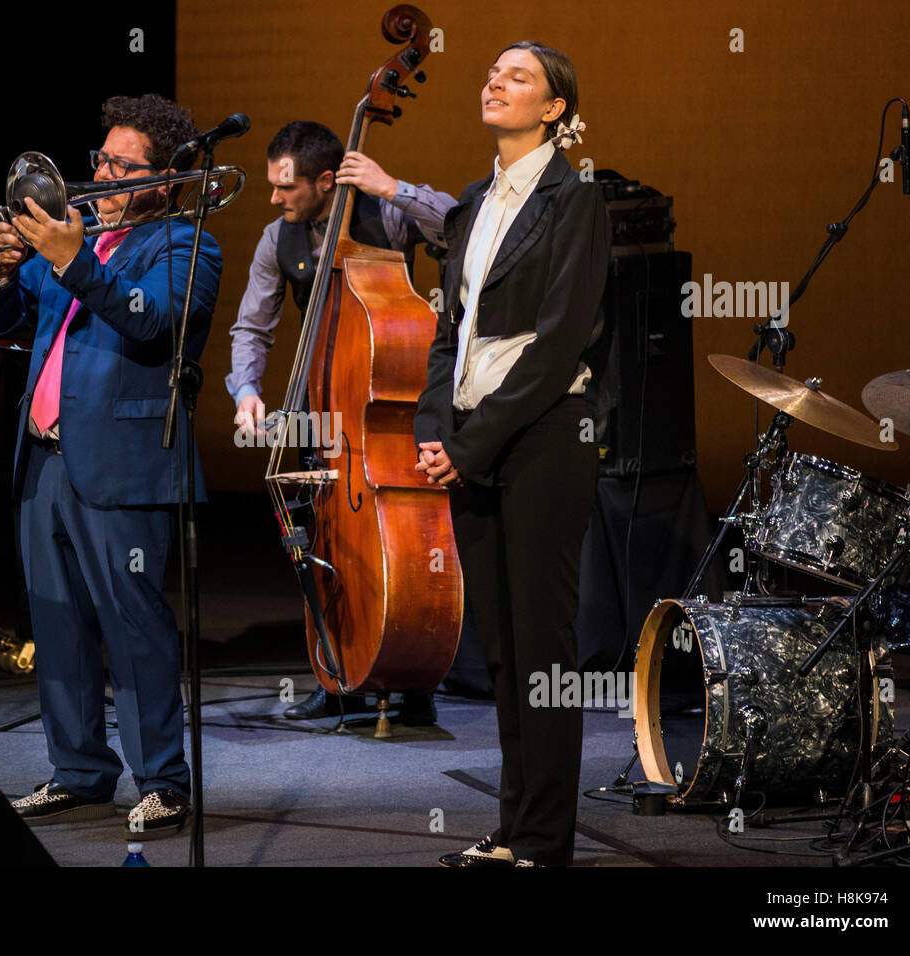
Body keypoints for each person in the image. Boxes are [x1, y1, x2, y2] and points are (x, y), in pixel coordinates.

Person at [0, 94, 222, 839]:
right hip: (45, 460)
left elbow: (150, 321)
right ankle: (79, 772)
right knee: (57, 624)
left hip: (124, 463)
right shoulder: (72, 242)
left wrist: (69, 257)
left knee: (133, 623)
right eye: (102, 159)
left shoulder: (187, 242)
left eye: (124, 165)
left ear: (167, 178)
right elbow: (2, 322)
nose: (103, 173)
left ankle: (164, 783)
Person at [414, 42, 611, 867]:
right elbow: (446, 334)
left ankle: (544, 840)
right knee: (499, 646)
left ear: (555, 109)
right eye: (492, 72)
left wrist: (475, 443)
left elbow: (560, 340)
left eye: (518, 76)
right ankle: (513, 827)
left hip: (542, 438)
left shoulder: (577, 198)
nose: (495, 81)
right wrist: (434, 431)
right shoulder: (472, 203)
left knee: (542, 648)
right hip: (470, 439)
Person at [226, 120, 455, 723]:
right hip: (318, 410)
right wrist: (246, 390)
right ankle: (333, 670)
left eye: (287, 188)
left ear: (326, 181)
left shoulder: (388, 216)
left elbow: (458, 227)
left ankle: (411, 672)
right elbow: (252, 326)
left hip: (384, 407)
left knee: (399, 543)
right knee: (322, 541)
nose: (275, 199)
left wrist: (393, 186)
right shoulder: (281, 238)